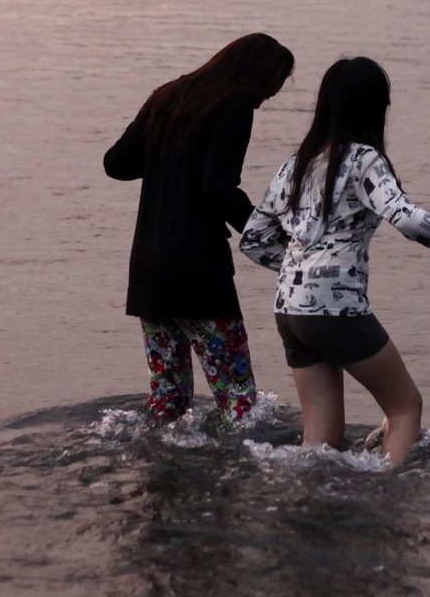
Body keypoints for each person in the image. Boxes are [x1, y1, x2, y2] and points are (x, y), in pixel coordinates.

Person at [239, 57, 430, 467]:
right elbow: (407, 219)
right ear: (374, 107)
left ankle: (306, 509)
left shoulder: (295, 164)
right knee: (405, 409)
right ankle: (387, 499)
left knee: (320, 440)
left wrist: (301, 271)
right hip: (336, 310)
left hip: (289, 310)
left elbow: (253, 238)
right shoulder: (365, 160)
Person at [104, 33, 295, 426]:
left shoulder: (168, 96)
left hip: (148, 270)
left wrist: (169, 155)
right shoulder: (235, 105)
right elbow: (218, 189)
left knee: (167, 399)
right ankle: (236, 480)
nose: (268, 97)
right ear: (256, 74)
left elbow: (116, 163)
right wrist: (273, 235)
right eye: (272, 86)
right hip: (198, 272)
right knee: (238, 402)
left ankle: (159, 474)